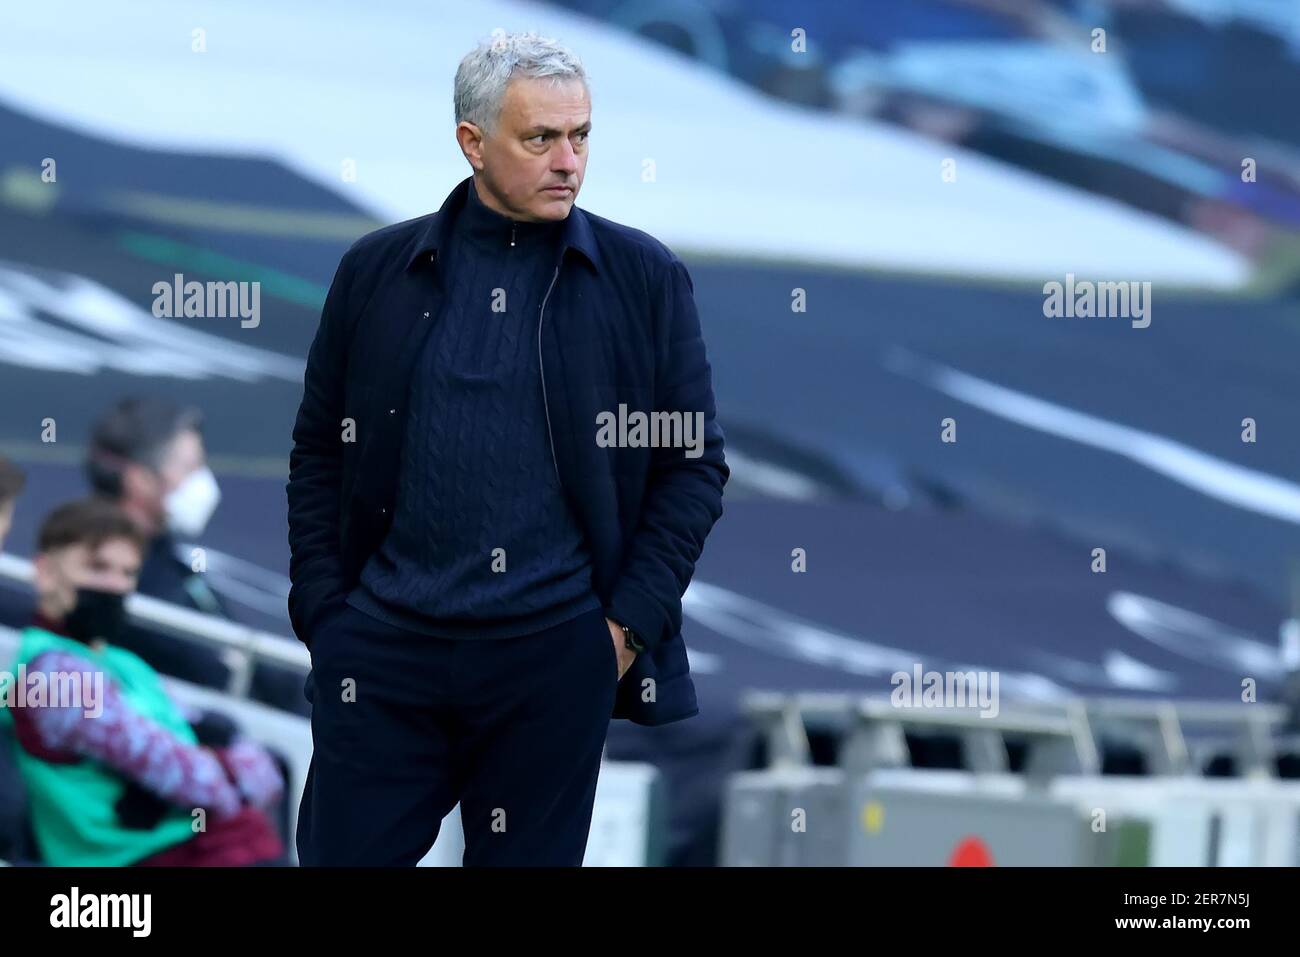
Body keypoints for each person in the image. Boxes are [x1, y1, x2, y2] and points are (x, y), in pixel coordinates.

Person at [288, 31, 728, 866]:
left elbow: (692, 468)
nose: (570, 160)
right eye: (541, 139)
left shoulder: (644, 278)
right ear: (472, 142)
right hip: (384, 651)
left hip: (551, 656)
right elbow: (320, 453)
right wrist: (327, 614)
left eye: (582, 135)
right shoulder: (376, 270)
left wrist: (619, 633)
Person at [0, 498, 284, 866]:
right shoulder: (55, 675)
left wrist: (223, 762)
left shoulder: (123, 663)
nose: (114, 585)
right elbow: (194, 780)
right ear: (46, 573)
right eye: (97, 567)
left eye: (127, 573)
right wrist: (232, 767)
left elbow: (240, 760)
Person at [86, 396, 305, 715]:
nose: (203, 480)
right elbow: (211, 669)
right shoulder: (130, 580)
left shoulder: (163, 560)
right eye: (190, 468)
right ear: (139, 480)